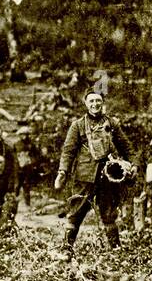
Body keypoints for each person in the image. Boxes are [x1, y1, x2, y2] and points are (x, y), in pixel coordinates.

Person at [55, 90, 135, 255]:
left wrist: (134, 164)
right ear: (86, 104)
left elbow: (125, 146)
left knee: (109, 213)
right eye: (91, 101)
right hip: (84, 176)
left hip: (107, 176)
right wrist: (62, 171)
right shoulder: (77, 125)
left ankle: (115, 249)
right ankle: (66, 249)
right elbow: (68, 151)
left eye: (98, 101)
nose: (95, 104)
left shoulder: (111, 123)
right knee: (76, 212)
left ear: (102, 102)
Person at [12, 124, 43, 209]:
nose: (24, 136)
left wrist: (32, 161)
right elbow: (13, 155)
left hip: (28, 169)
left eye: (26, 134)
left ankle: (27, 205)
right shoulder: (16, 144)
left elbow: (37, 155)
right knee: (17, 186)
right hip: (18, 169)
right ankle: (14, 204)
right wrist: (16, 161)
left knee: (26, 186)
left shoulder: (31, 145)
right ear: (20, 135)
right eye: (22, 134)